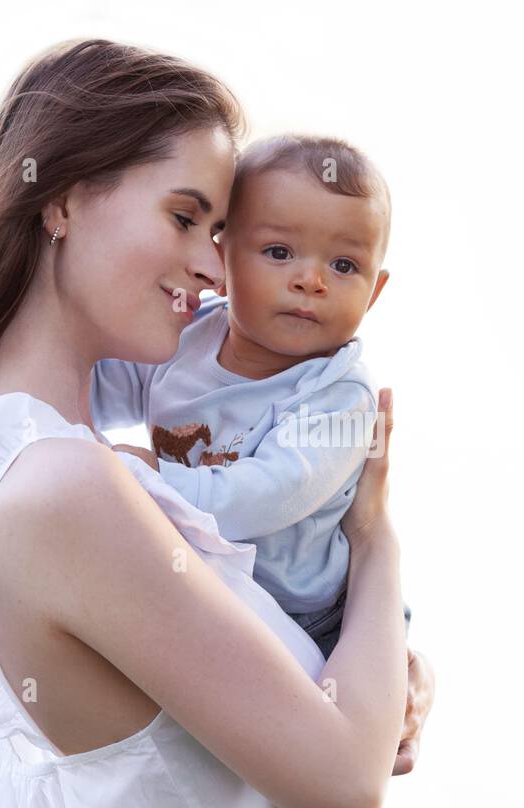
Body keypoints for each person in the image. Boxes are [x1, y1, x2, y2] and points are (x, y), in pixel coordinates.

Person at [0, 38, 434, 808]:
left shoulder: (51, 470)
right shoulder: (67, 487)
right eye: (185, 218)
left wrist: (381, 668)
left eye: (223, 231)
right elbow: (347, 785)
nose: (214, 268)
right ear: (59, 201)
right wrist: (375, 539)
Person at [90, 133, 412, 661]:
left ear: (374, 292)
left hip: (312, 616)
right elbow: (100, 383)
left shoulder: (338, 394)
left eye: (344, 266)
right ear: (223, 259)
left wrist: (153, 478)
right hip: (212, 584)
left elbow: (272, 492)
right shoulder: (187, 338)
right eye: (279, 252)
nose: (310, 281)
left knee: (342, 730)